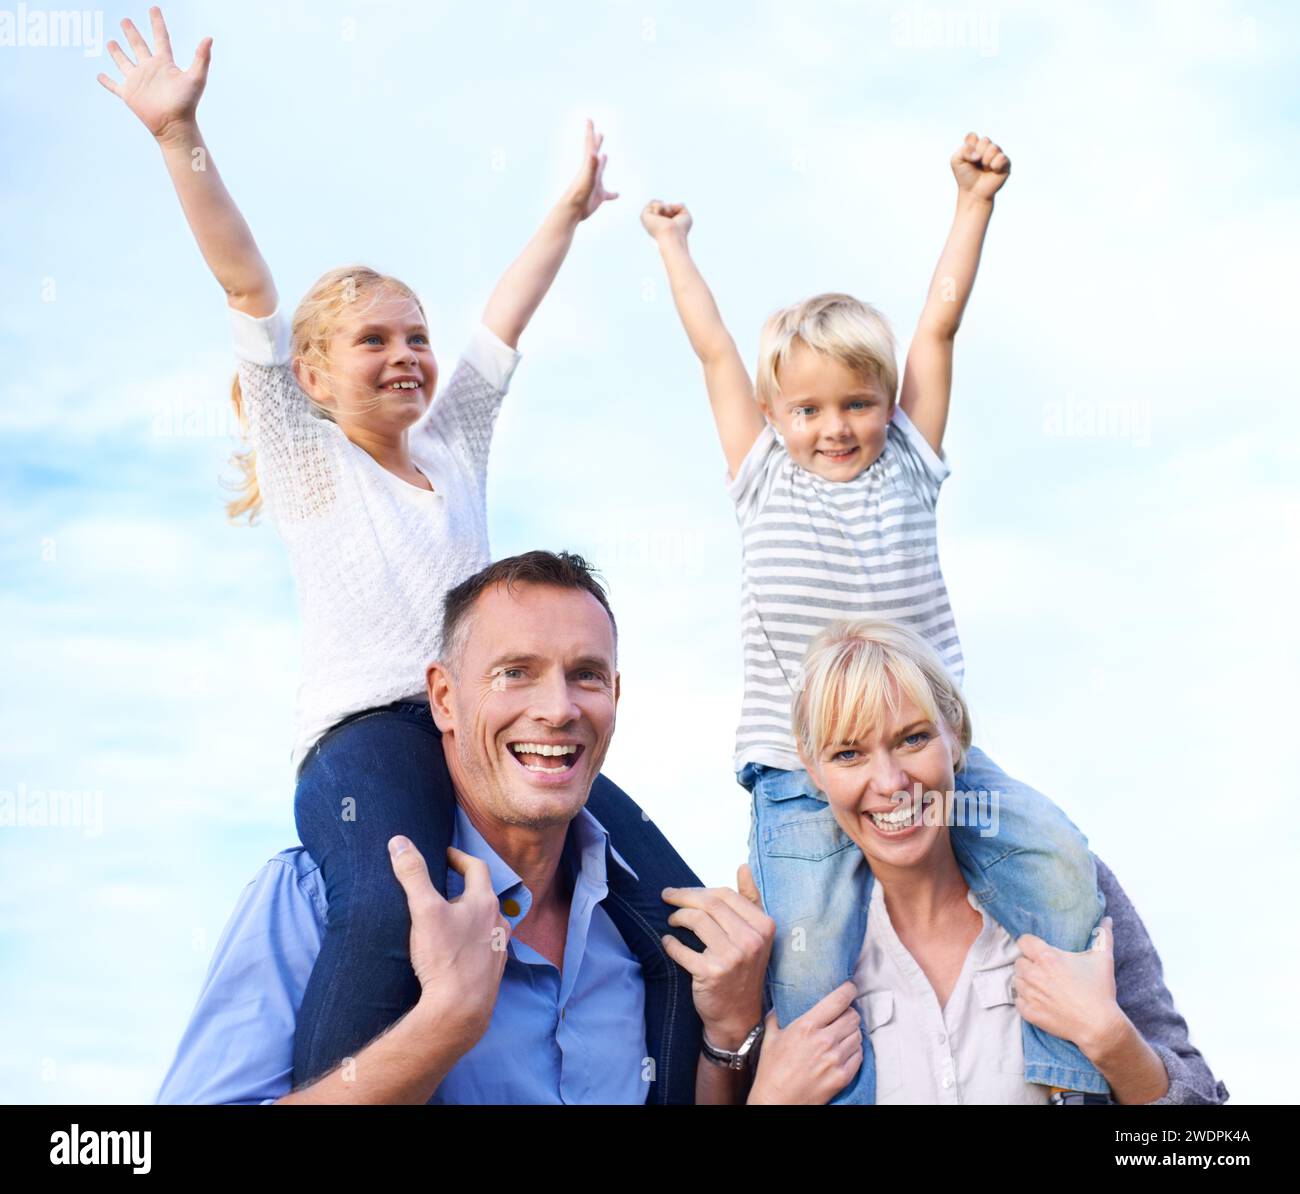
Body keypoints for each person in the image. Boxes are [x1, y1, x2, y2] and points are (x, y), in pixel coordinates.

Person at [96, 7, 690, 1090]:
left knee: (680, 916)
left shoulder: (453, 444)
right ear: (314, 377)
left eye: (416, 334)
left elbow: (504, 324)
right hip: (367, 739)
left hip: (476, 723)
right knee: (380, 912)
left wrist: (564, 211)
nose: (408, 355)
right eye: (374, 340)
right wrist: (177, 135)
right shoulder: (313, 460)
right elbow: (244, 285)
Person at [641, 133, 1113, 1102]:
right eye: (809, 408)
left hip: (923, 746)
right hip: (796, 761)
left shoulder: (908, 459)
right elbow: (713, 347)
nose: (836, 427)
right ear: (775, 414)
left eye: (857, 402)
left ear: (888, 404)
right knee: (814, 968)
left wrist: (972, 203)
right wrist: (674, 247)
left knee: (1057, 854)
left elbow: (937, 329)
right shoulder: (761, 471)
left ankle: (1062, 1073)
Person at [157, 551, 776, 1105]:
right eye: (515, 672)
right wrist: (446, 1022)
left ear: (615, 695)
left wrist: (727, 1041)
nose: (558, 709)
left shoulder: (652, 934)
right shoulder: (311, 899)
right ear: (445, 699)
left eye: (586, 674)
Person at [712, 617, 1227, 1105]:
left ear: (955, 734)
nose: (890, 784)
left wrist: (1110, 1039)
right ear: (812, 769)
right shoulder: (781, 944)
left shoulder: (1068, 896)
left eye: (913, 739)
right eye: (849, 754)